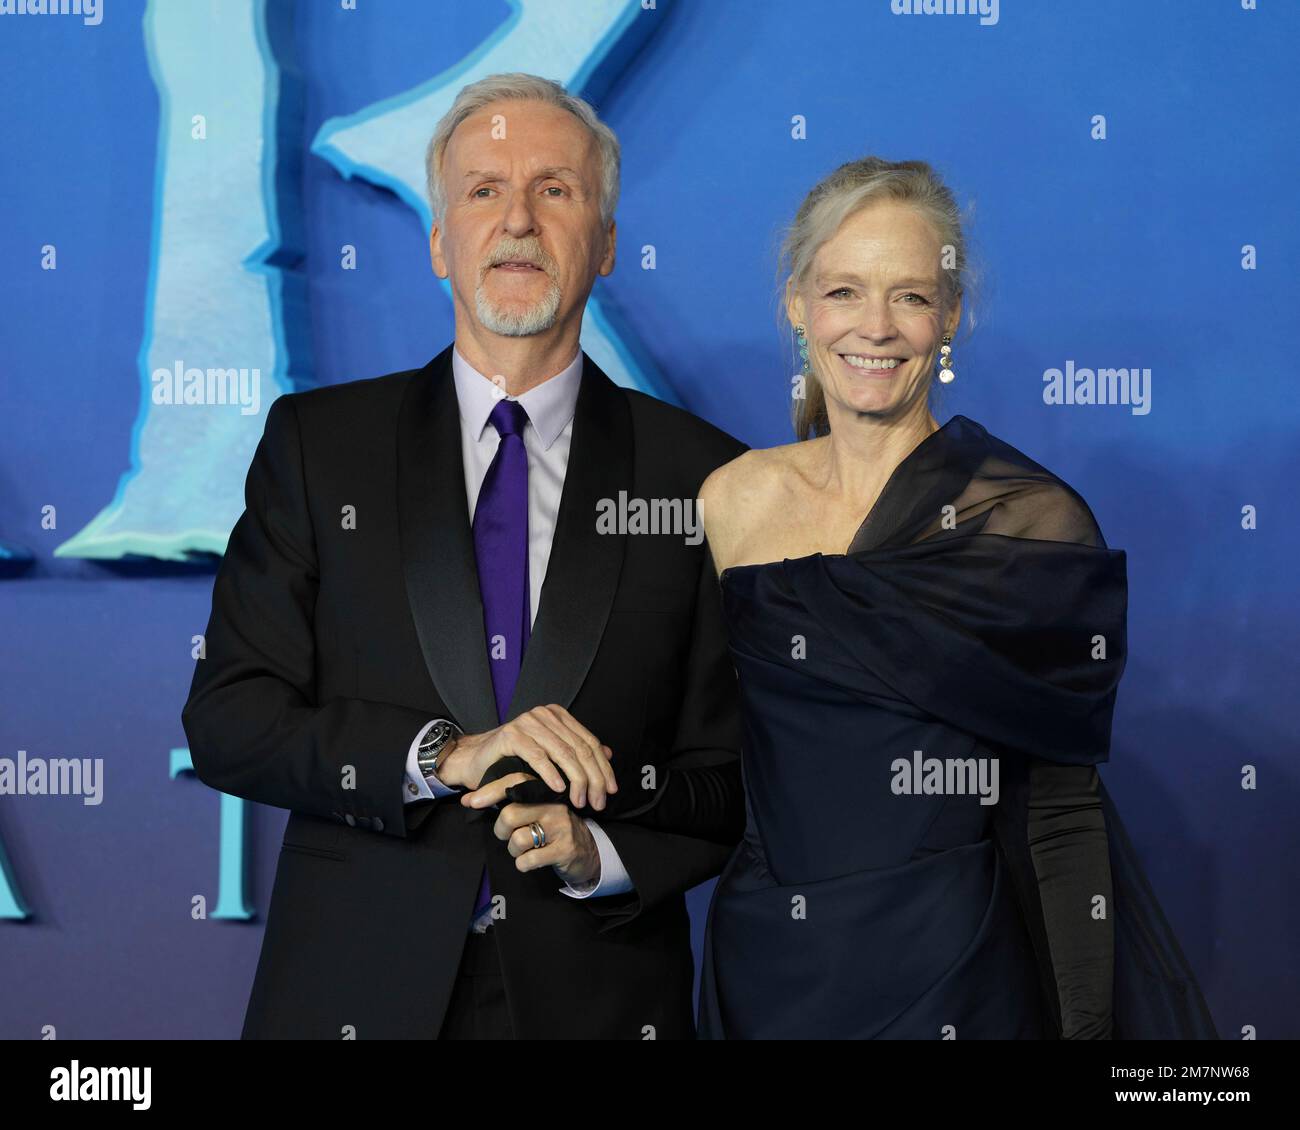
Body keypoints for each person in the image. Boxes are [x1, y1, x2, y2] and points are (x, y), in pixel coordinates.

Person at [182, 72, 746, 1040]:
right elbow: (231, 718)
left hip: (598, 1003)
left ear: (606, 243)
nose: (517, 219)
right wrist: (440, 755)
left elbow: (732, 774)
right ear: (440, 241)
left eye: (554, 189)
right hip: (352, 996)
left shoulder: (707, 478)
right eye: (483, 189)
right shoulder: (320, 446)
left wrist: (598, 849)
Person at [694, 157, 1218, 1039]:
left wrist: (1085, 1027)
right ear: (797, 304)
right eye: (845, 291)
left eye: (909, 296)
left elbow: (1060, 810)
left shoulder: (1031, 522)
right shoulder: (730, 501)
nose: (875, 327)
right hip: (767, 971)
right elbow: (714, 755)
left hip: (955, 977)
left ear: (951, 316)